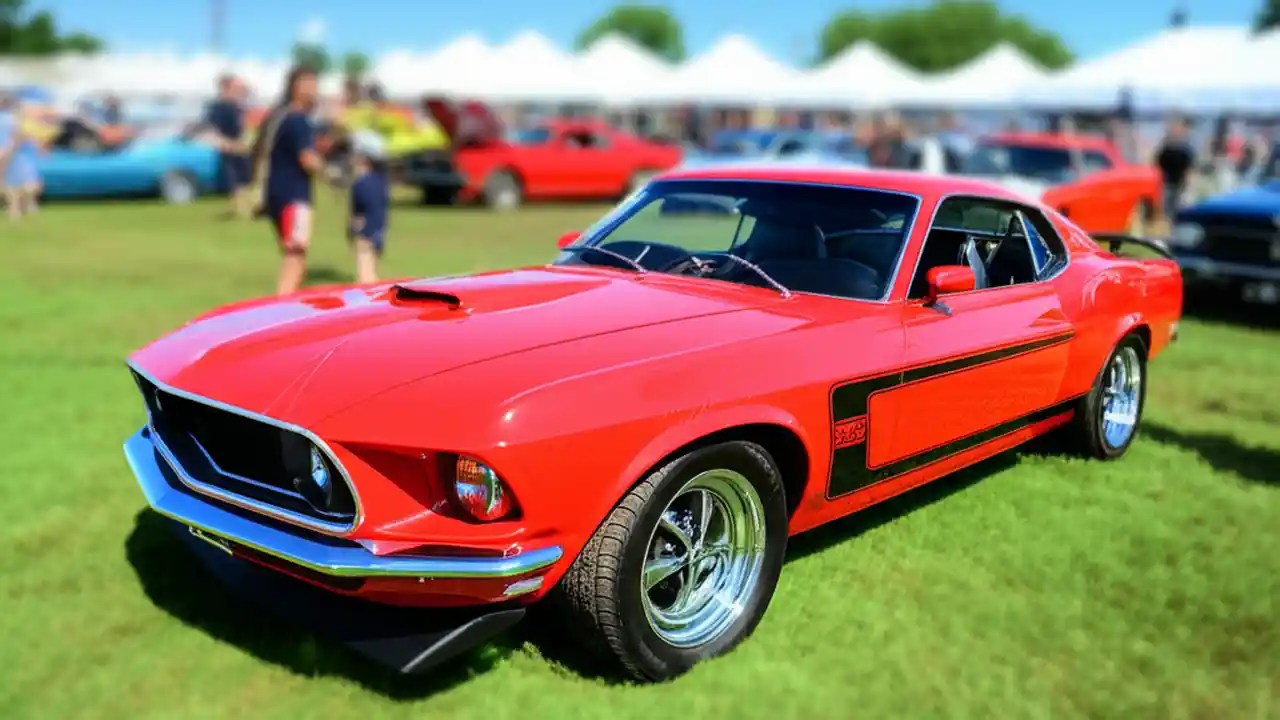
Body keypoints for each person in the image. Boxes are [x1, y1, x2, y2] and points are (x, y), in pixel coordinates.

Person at [262, 66, 322, 296]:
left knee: (294, 254)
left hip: (276, 193)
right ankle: (282, 308)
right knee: (295, 255)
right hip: (294, 195)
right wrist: (328, 171)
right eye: (311, 85)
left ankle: (290, 303)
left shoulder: (282, 117)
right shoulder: (298, 120)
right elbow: (307, 160)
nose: (315, 91)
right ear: (297, 88)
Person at [205, 74, 251, 219]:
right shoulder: (218, 107)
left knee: (244, 178)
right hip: (227, 147)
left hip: (240, 147)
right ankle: (235, 209)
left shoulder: (237, 107)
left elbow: (241, 128)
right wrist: (224, 143)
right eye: (235, 88)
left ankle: (242, 208)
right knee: (233, 178)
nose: (238, 91)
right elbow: (212, 129)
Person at [348, 131, 389, 284]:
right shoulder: (381, 182)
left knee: (365, 277)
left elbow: (359, 211)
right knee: (372, 270)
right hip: (379, 230)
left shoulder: (362, 183)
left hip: (366, 233)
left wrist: (354, 230)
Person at [1155, 117, 1195, 225]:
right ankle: (1168, 224)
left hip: (1179, 182)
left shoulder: (1185, 149)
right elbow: (1158, 164)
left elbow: (1189, 167)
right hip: (1167, 182)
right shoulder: (1166, 148)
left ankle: (1175, 224)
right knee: (1167, 206)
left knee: (1178, 206)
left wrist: (1187, 182)